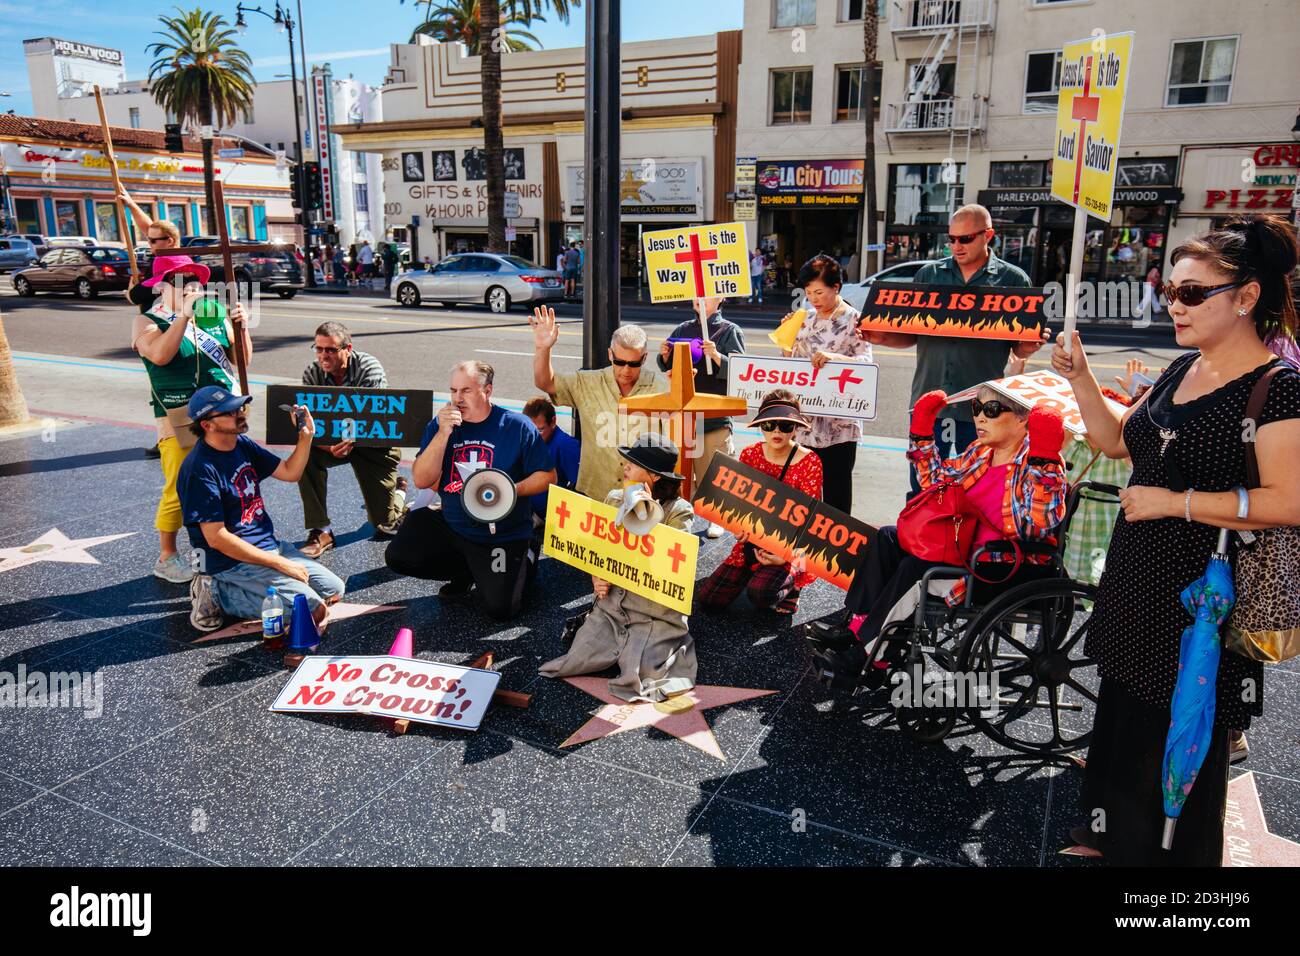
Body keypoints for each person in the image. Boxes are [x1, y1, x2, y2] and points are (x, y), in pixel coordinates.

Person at [1050, 214, 1300, 866]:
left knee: (1183, 741)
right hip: (1139, 585)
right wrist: (1079, 377)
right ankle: (1106, 840)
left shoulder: (1278, 390)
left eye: (1194, 292)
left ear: (1246, 298)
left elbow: (1289, 501)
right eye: (1172, 290)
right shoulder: (1182, 368)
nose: (1174, 305)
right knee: (1125, 722)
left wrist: (1174, 502)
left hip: (1202, 604)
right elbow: (1114, 440)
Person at [816, 387, 1067, 684]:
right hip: (963, 548)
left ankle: (870, 655)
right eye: (976, 408)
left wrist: (1045, 457)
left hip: (1000, 565)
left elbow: (1041, 523)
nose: (979, 418)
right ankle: (858, 625)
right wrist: (923, 431)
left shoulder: (1037, 464)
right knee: (887, 538)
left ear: (1023, 420)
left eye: (991, 410)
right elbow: (933, 482)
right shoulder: (980, 451)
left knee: (918, 570)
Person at [858, 204, 1047, 498]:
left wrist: (1031, 345)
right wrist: (880, 338)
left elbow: (1020, 349)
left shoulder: (1013, 280)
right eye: (952, 239)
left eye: (966, 239)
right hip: (929, 404)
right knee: (924, 486)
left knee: (981, 487)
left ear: (989, 236)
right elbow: (911, 336)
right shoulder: (929, 275)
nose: (956, 246)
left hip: (984, 407)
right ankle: (920, 541)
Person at [384, 361, 555, 619]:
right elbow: (421, 479)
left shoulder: (516, 425)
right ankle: (466, 570)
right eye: (453, 390)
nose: (457, 398)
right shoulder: (441, 425)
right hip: (456, 527)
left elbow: (548, 476)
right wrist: (442, 435)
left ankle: (527, 554)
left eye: (466, 391)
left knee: (501, 610)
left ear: (487, 391)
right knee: (399, 555)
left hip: (501, 534)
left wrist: (509, 490)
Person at [539, 433, 698, 702]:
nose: (625, 467)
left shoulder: (679, 511)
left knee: (649, 671)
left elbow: (675, 569)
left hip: (653, 612)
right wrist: (596, 574)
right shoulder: (614, 498)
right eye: (627, 461)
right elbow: (597, 549)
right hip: (612, 607)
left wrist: (647, 511)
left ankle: (643, 649)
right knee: (579, 657)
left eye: (633, 464)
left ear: (655, 476)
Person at [178, 386, 345, 633]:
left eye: (239, 407)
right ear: (207, 425)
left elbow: (290, 472)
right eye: (229, 412)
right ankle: (215, 592)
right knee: (313, 610)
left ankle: (245, 589)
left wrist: (306, 436)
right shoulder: (200, 470)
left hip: (268, 546)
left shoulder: (242, 444)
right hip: (229, 560)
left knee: (334, 589)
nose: (239, 413)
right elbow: (216, 538)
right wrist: (279, 564)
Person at [131, 254, 251, 584]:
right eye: (181, 280)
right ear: (161, 286)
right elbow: (160, 355)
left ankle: (227, 544)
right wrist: (183, 315)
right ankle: (167, 555)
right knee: (179, 487)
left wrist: (240, 328)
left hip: (223, 411)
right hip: (178, 416)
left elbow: (242, 360)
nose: (191, 287)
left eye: (194, 280)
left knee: (227, 481)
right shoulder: (147, 320)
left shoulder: (213, 315)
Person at [697, 391, 823, 615]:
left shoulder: (809, 462)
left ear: (795, 427)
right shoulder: (750, 454)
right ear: (762, 425)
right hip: (752, 543)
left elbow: (810, 523)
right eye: (770, 424)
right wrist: (738, 529)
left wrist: (785, 556)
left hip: (791, 548)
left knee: (761, 595)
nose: (776, 431)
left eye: (785, 425)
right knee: (709, 599)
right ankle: (755, 574)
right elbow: (739, 505)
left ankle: (791, 584)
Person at [530, 306, 668, 500]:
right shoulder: (588, 382)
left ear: (644, 358)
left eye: (634, 364)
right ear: (610, 354)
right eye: (620, 362)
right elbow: (545, 382)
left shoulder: (661, 388)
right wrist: (543, 348)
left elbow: (676, 446)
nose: (626, 370)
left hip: (643, 497)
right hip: (596, 495)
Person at [296, 322, 404, 558]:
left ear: (348, 348)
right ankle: (320, 529)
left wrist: (346, 442)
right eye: (319, 348)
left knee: (384, 526)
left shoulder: (369, 367)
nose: (324, 355)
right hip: (333, 441)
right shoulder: (312, 373)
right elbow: (312, 421)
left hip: (372, 443)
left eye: (331, 350)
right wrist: (327, 445)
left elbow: (368, 416)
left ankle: (398, 493)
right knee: (304, 454)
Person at [777, 254, 873, 515]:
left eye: (819, 292)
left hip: (839, 423)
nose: (814, 299)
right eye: (809, 293)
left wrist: (835, 358)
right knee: (801, 490)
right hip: (806, 420)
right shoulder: (804, 319)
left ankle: (836, 552)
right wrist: (786, 336)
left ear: (836, 288)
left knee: (837, 492)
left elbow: (865, 363)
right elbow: (789, 364)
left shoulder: (855, 319)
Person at [656, 296, 746, 536]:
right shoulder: (683, 329)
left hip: (714, 418)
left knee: (713, 472)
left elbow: (741, 371)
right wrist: (664, 357)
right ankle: (682, 519)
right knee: (683, 476)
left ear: (721, 298)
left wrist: (717, 356)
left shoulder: (730, 331)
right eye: (697, 295)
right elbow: (669, 368)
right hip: (684, 417)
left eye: (707, 295)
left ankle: (715, 517)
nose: (701, 299)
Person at [522, 397, 581, 518]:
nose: (533, 436)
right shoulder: (526, 439)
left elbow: (580, 489)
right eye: (528, 429)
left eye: (540, 430)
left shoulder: (566, 445)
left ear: (553, 421)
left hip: (550, 518)